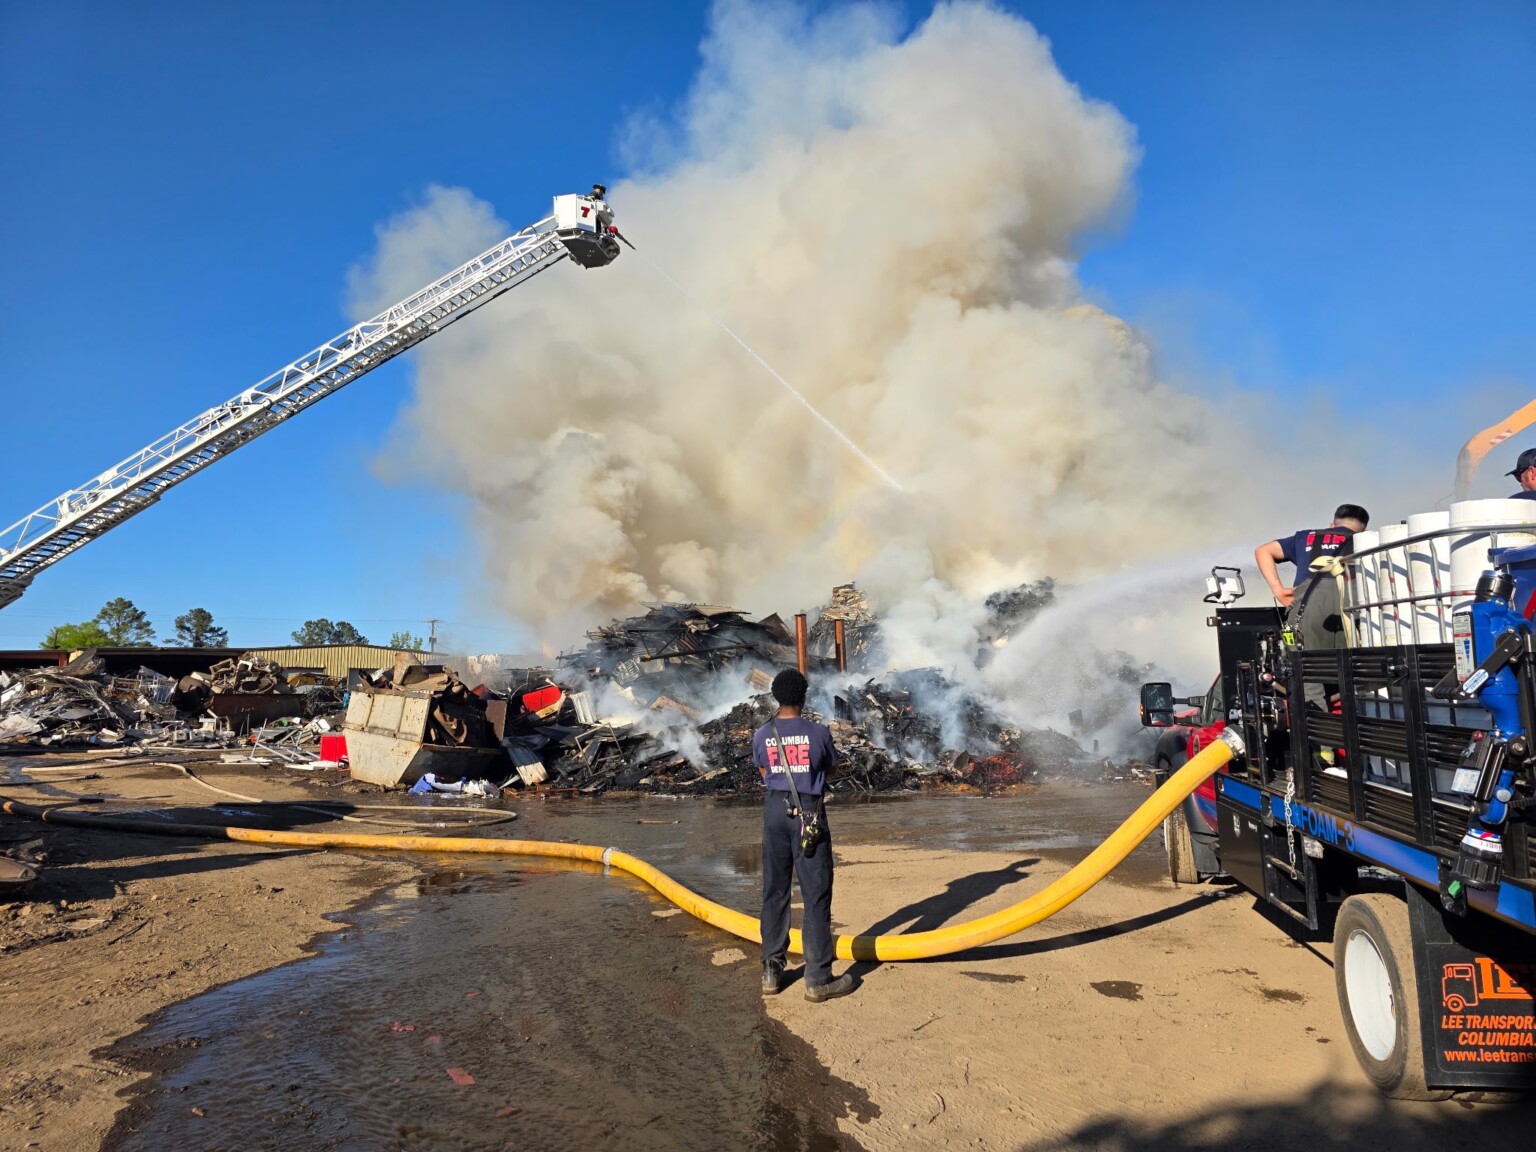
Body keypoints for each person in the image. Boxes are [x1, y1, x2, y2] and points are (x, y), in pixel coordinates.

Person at [754, 668, 855, 1003]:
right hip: (808, 813)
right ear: (804, 696)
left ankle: (771, 972)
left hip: (774, 813)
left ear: (776, 697)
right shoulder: (818, 732)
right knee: (815, 893)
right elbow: (830, 768)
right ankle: (818, 979)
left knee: (775, 890)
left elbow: (764, 772)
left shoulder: (763, 733)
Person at [1254, 504, 1370, 608]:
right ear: (1365, 532)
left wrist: (1279, 591)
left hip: (1306, 606)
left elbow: (1262, 551)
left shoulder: (1304, 536)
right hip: (1349, 607)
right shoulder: (1366, 542)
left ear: (1331, 525)